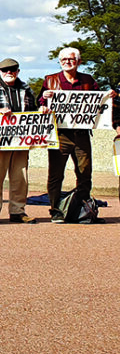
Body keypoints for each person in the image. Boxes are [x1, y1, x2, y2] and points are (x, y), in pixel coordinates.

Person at [38, 47, 119, 223]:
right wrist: (44, 100)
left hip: (82, 134)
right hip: (60, 135)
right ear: (60, 62)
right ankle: (55, 211)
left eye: (71, 59)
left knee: (84, 173)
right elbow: (41, 104)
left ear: (79, 62)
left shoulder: (88, 80)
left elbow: (100, 102)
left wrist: (110, 96)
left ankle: (84, 209)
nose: (67, 62)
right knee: (56, 174)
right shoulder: (50, 80)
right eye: (64, 59)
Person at [0, 58, 37, 224]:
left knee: (20, 177)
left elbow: (33, 111)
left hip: (21, 140)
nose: (9, 73)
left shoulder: (26, 89)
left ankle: (18, 211)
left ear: (18, 71)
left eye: (12, 70)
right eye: (5, 70)